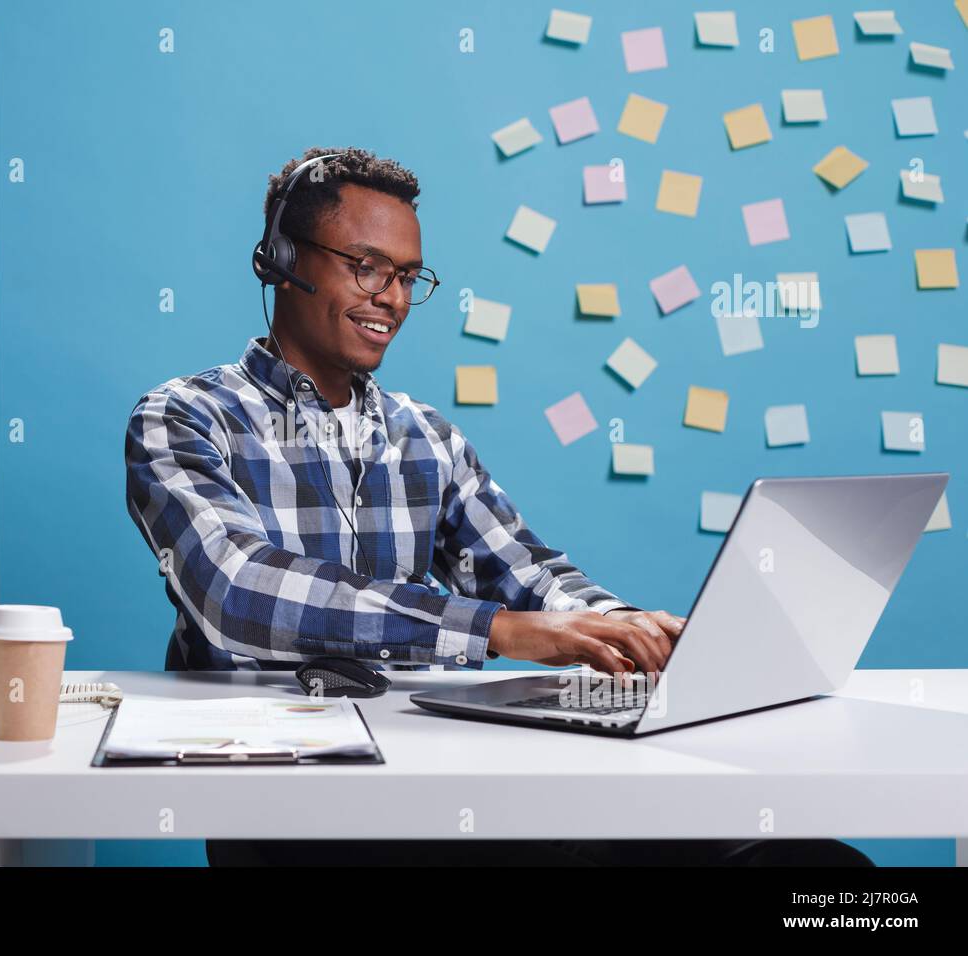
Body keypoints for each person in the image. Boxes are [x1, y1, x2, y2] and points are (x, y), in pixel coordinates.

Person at [125, 146, 873, 868]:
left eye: (408, 276)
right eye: (366, 267)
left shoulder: (425, 437)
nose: (390, 296)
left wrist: (621, 630)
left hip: (423, 779)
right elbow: (235, 588)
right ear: (283, 261)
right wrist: (501, 631)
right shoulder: (186, 417)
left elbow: (521, 570)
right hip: (281, 795)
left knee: (795, 859)